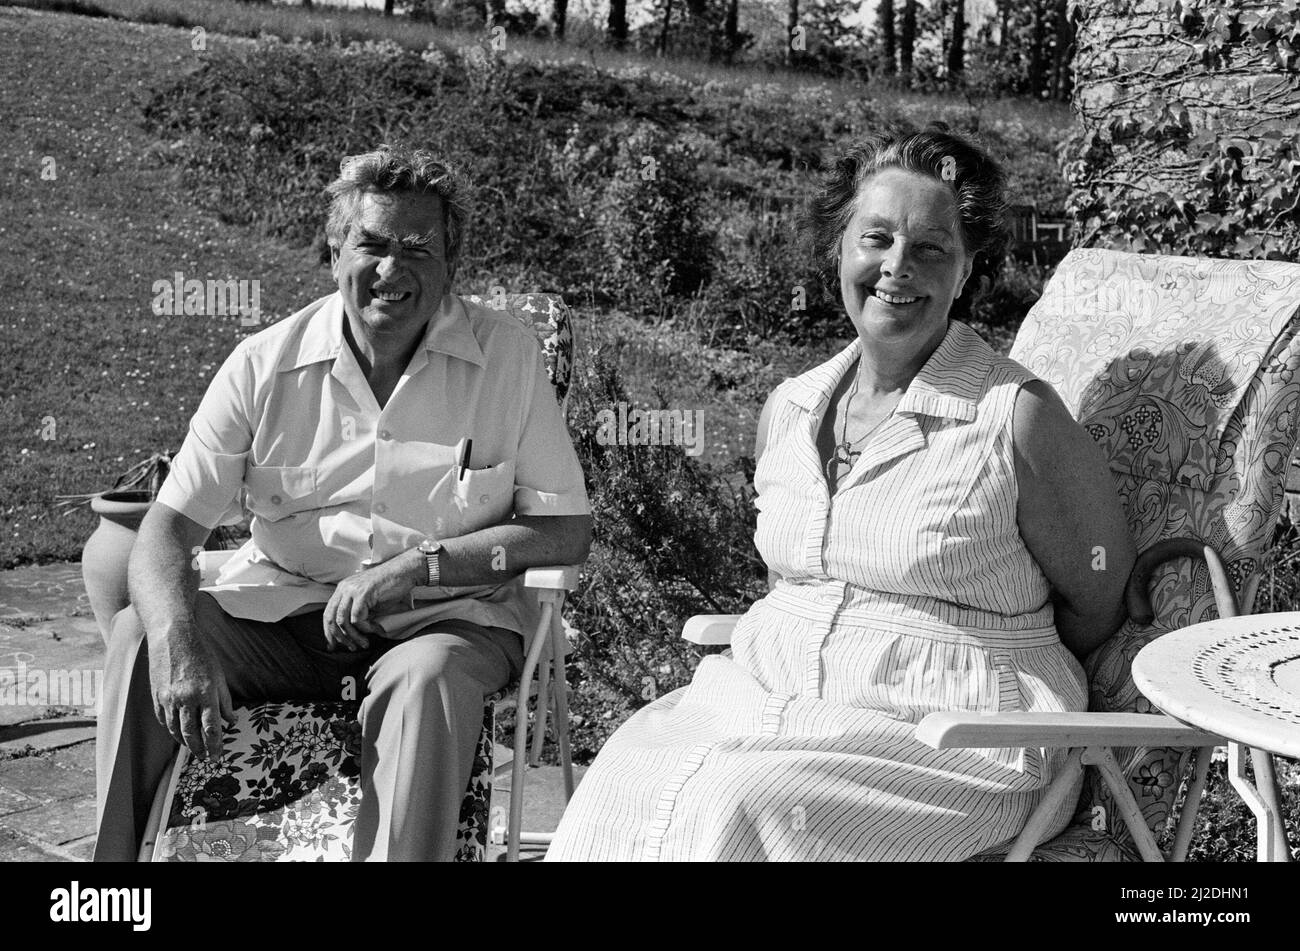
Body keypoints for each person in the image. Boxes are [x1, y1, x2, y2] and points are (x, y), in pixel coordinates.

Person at [546, 128, 1135, 861]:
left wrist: (931, 647)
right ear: (840, 248)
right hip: (771, 704)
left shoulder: (1014, 417)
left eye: (929, 248)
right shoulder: (791, 408)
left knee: (737, 805)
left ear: (966, 269)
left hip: (956, 740)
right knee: (625, 775)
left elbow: (1098, 598)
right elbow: (797, 581)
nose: (897, 268)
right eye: (877, 238)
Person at [94, 145, 592, 862]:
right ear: (333, 253)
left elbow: (563, 530)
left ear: (453, 263)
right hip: (284, 624)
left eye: (419, 247)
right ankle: (109, 888)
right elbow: (167, 529)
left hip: (441, 624)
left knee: (424, 681)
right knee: (139, 635)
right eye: (373, 244)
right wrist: (177, 637)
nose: (393, 268)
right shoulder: (263, 364)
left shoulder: (508, 358)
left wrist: (415, 569)